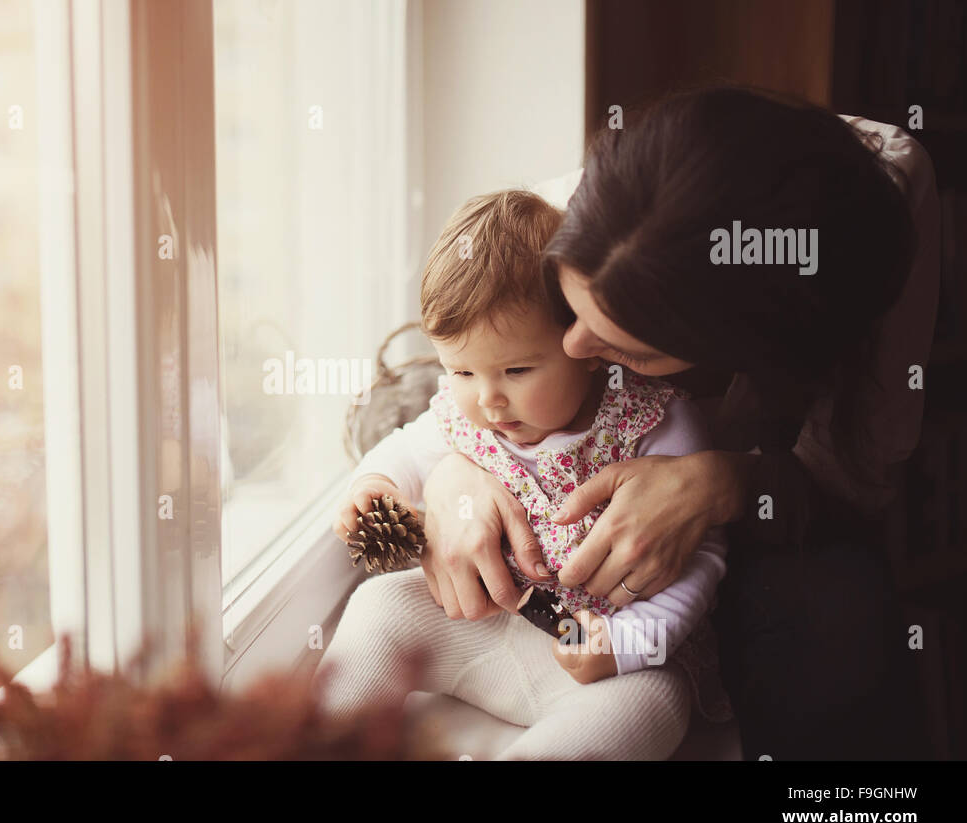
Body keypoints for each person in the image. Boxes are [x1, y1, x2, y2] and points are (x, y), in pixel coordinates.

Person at [417, 86, 939, 760]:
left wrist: (723, 481)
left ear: (744, 345)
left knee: (835, 619)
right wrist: (451, 474)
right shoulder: (561, 213)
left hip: (779, 503)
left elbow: (856, 478)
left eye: (623, 347)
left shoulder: (880, 226)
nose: (574, 348)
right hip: (563, 558)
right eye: (568, 311)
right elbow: (464, 373)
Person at [315, 189, 729, 760]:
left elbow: (699, 557)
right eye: (460, 369)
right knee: (378, 608)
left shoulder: (653, 421)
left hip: (598, 655)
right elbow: (404, 451)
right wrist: (374, 489)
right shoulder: (464, 412)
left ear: (586, 343)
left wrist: (628, 645)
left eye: (517, 369)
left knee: (649, 705)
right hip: (479, 618)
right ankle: (314, 742)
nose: (488, 401)